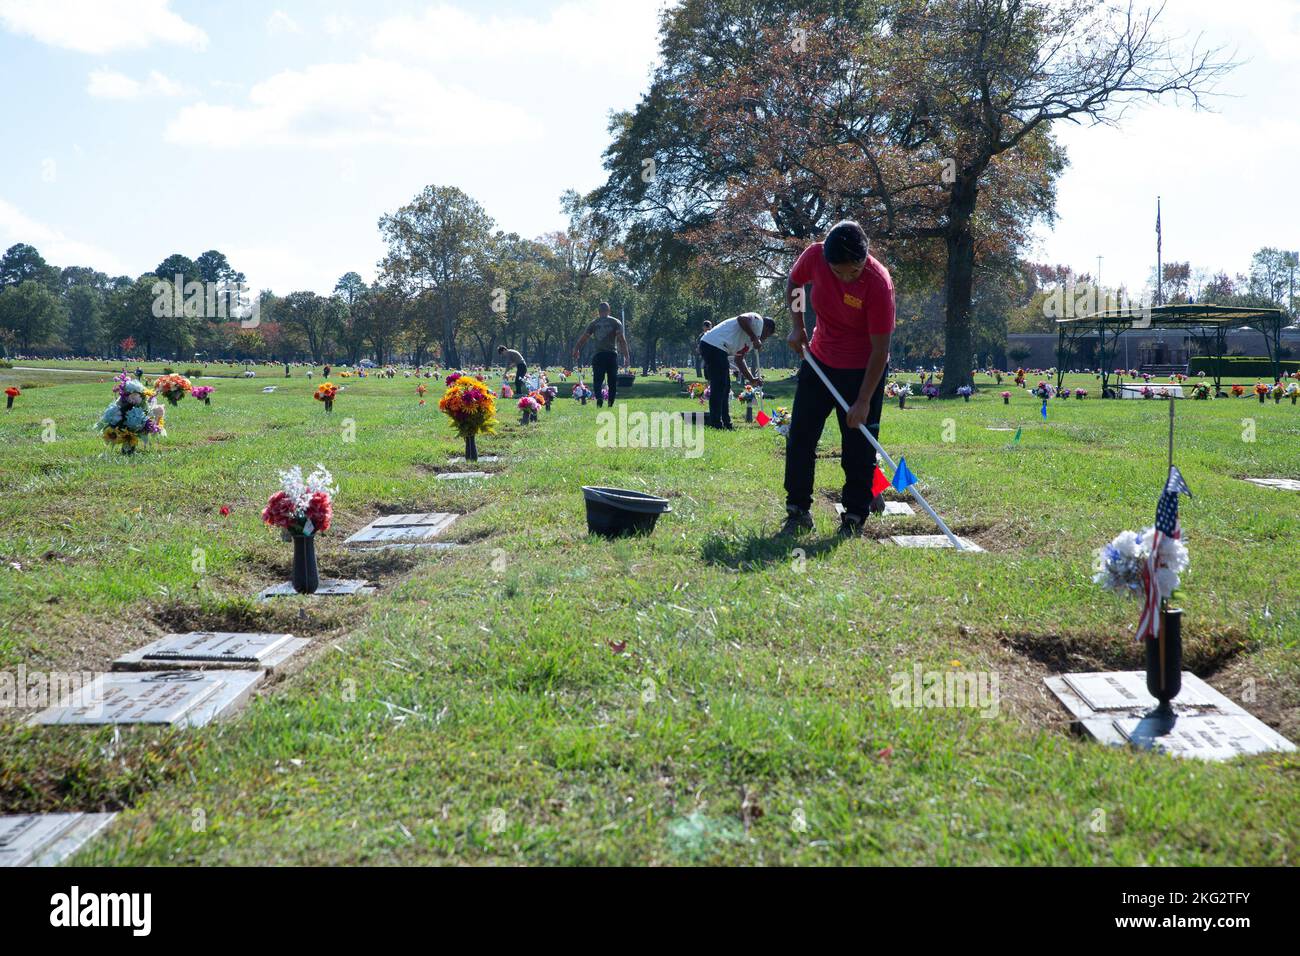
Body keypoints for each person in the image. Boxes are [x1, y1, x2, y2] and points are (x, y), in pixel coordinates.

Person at [782, 220, 895, 537]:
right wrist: (798, 325)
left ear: (865, 259)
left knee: (858, 445)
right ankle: (798, 510)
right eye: (838, 272)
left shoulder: (879, 283)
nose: (846, 278)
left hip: (863, 369)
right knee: (801, 436)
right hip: (819, 361)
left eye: (853, 271)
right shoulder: (814, 256)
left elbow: (880, 350)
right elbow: (795, 282)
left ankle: (855, 515)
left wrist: (863, 400)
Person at [699, 313, 775, 429]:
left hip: (719, 349)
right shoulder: (758, 320)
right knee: (719, 386)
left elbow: (739, 360)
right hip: (713, 345)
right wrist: (754, 337)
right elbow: (741, 319)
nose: (765, 338)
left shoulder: (750, 343)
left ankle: (726, 423)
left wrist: (752, 379)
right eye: (767, 335)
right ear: (767, 329)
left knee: (725, 387)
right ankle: (716, 423)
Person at [572, 302, 630, 408]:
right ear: (609, 310)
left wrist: (576, 349)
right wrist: (626, 356)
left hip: (599, 355)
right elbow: (622, 340)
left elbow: (584, 337)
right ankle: (610, 402)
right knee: (612, 380)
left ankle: (599, 398)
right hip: (611, 355)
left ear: (598, 312)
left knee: (598, 380)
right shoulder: (616, 322)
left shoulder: (594, 323)